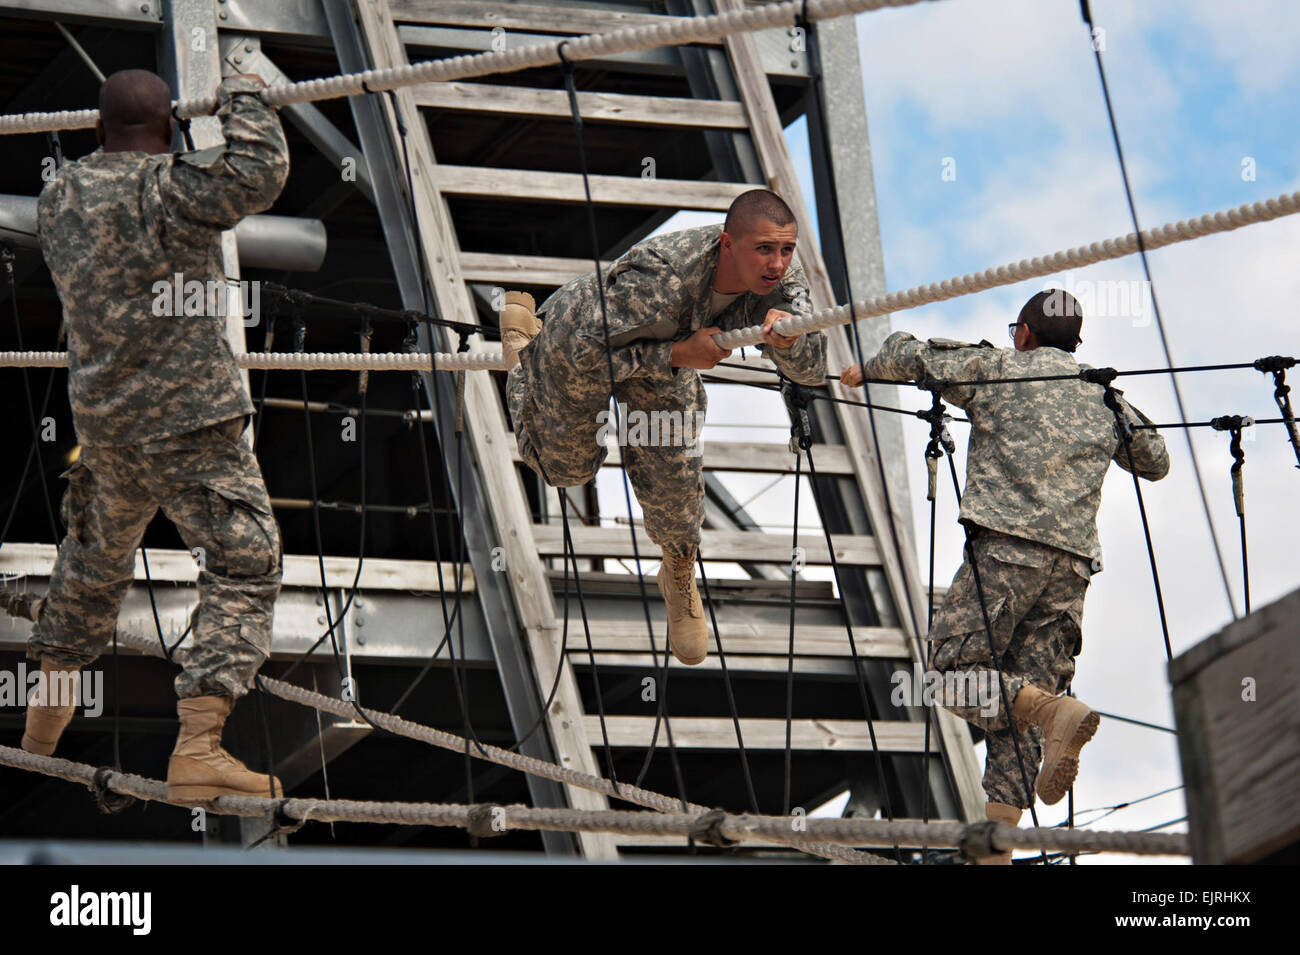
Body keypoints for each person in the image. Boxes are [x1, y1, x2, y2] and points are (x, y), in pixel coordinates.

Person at [23, 68, 290, 803]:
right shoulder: (172, 190)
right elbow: (261, 170)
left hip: (107, 427)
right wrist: (243, 95)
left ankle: (40, 732)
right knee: (244, 563)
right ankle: (198, 747)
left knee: (91, 565)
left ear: (96, 129)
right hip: (190, 426)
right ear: (170, 130)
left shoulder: (58, 200)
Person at [841, 289, 1169, 863]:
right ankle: (999, 846)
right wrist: (1099, 392)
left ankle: (1052, 714)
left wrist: (864, 370)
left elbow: (908, 356)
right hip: (1070, 572)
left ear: (1023, 334)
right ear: (1076, 344)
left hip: (1004, 558)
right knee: (1021, 695)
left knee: (947, 673)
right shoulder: (1104, 397)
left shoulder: (999, 369)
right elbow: (1155, 459)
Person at [503, 189, 827, 665]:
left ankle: (678, 568)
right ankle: (521, 348)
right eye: (764, 250)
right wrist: (677, 355)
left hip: (668, 360)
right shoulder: (659, 280)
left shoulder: (784, 282)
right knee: (568, 470)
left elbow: (814, 370)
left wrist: (790, 343)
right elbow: (578, 355)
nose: (777, 263)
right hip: (585, 335)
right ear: (728, 245)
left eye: (785, 250)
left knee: (675, 481)